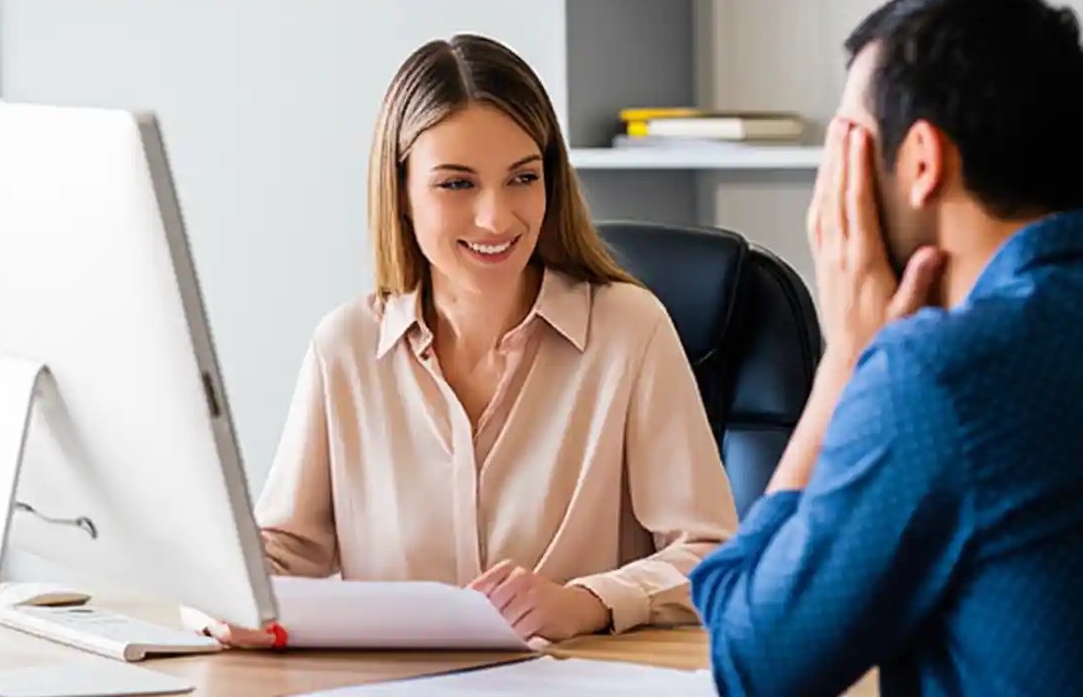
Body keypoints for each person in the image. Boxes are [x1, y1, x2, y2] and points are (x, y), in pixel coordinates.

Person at [209, 33, 738, 646]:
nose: (496, 217)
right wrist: (228, 601)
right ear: (401, 193)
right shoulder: (346, 347)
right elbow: (283, 552)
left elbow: (711, 556)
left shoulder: (629, 330)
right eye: (457, 184)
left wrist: (587, 602)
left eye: (522, 178)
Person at [688, 0, 1083, 695]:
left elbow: (752, 663)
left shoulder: (942, 374)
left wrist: (845, 360)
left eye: (848, 142)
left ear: (922, 161)